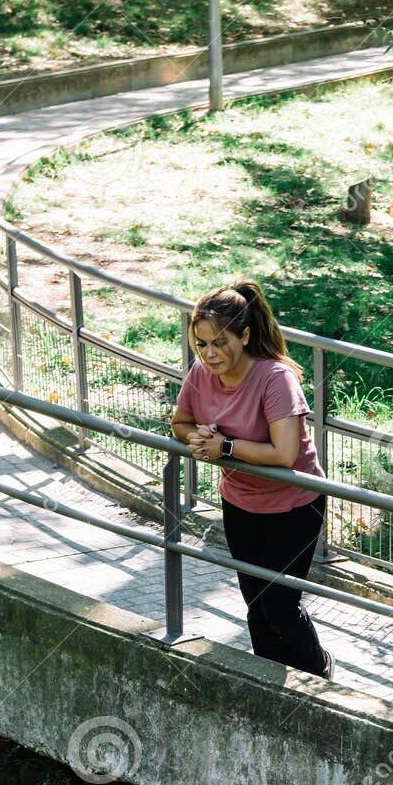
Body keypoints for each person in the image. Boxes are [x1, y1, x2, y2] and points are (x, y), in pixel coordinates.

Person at [170, 280, 333, 678]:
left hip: (295, 504)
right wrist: (198, 438)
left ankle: (317, 674)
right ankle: (270, 681)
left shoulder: (275, 378)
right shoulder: (201, 373)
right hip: (241, 501)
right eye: (201, 344)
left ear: (244, 335)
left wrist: (224, 447)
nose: (209, 354)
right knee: (256, 604)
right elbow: (179, 422)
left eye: (219, 343)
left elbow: (284, 453)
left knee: (280, 603)